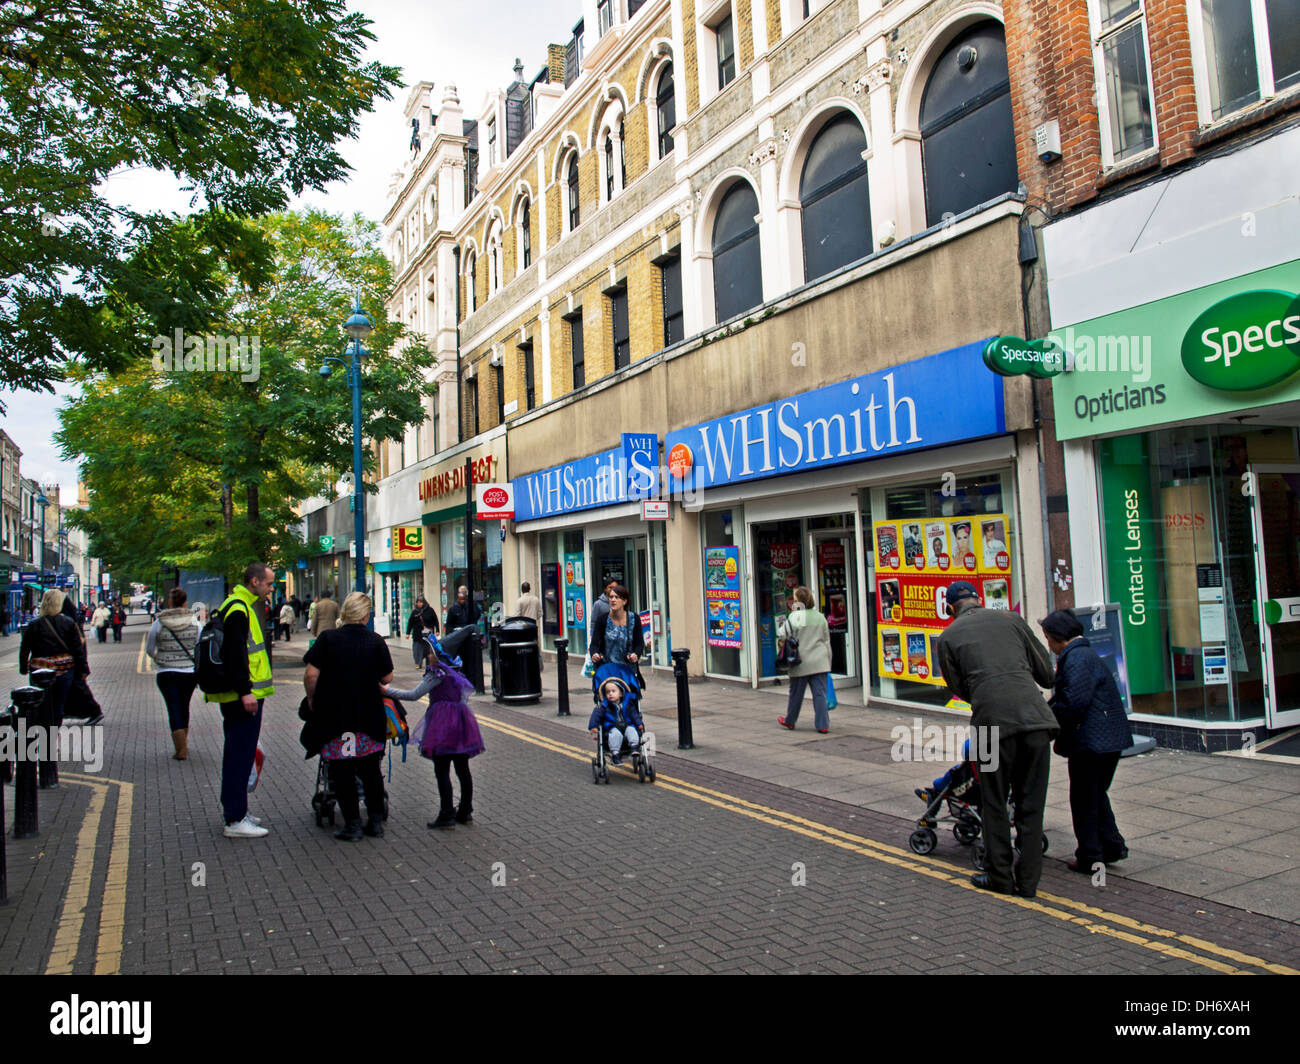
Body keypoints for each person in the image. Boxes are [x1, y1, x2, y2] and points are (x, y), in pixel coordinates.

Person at [935, 580, 1056, 898]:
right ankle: (1028, 883)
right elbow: (1047, 673)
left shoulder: (948, 637)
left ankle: (999, 876)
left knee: (993, 803)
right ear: (979, 599)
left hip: (989, 727)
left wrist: (985, 695)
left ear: (950, 608)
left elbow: (959, 687)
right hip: (1035, 723)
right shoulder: (1012, 620)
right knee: (1031, 806)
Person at [1040, 610, 1133, 874]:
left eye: (1048, 638)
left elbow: (1073, 702)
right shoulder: (1084, 654)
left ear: (1058, 638)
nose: (1048, 644)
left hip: (1092, 742)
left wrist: (1049, 722)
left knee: (1083, 799)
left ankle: (1090, 856)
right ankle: (1112, 847)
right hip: (1105, 740)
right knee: (1095, 795)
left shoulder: (1077, 658)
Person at [303, 592, 394, 841]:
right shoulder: (375, 641)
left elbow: (311, 674)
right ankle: (375, 822)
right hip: (368, 718)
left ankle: (352, 824)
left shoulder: (329, 639)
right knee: (369, 770)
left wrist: (312, 699)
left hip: (340, 719)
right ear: (366, 614)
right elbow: (387, 678)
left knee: (343, 769)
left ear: (345, 611)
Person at [204, 561, 276, 839]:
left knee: (238, 753)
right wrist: (245, 691)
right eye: (269, 584)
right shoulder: (238, 608)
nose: (271, 589)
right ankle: (235, 819)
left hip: (239, 694)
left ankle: (237, 811)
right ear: (255, 582)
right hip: (242, 696)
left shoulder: (237, 605)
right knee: (239, 756)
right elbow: (236, 655)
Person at [384, 633, 484, 830]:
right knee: (463, 769)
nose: (428, 655)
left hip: (442, 725)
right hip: (462, 723)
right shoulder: (456, 673)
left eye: (430, 652)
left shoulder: (436, 674)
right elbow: (463, 698)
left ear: (439, 656)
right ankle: (465, 811)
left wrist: (386, 690)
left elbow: (413, 695)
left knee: (442, 769)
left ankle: (446, 814)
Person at [19, 589, 89, 725]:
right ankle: (52, 735)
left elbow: (25, 648)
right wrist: (83, 669)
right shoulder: (68, 623)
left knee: (40, 704)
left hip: (39, 671)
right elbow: (77, 650)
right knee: (58, 705)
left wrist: (23, 667)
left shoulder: (34, 625)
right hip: (63, 670)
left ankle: (43, 732)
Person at [147, 587, 201, 760]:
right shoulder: (194, 621)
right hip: (189, 672)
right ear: (185, 602)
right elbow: (199, 646)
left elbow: (150, 648)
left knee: (173, 707)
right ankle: (183, 742)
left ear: (169, 602)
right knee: (184, 705)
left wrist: (159, 657)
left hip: (166, 672)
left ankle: (180, 749)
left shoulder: (160, 622)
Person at [775, 586, 832, 733]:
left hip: (799, 661)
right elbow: (826, 641)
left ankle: (790, 720)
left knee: (796, 693)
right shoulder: (820, 617)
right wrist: (828, 661)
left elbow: (782, 633)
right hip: (819, 661)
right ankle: (823, 724)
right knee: (820, 694)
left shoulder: (795, 617)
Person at [587, 675, 644, 766]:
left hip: (627, 725)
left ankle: (634, 747)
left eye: (613, 691)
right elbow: (596, 716)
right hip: (612, 727)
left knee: (632, 730)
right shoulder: (604, 706)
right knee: (615, 735)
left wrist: (639, 723)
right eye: (608, 692)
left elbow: (634, 715)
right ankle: (616, 754)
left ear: (621, 693)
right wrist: (593, 726)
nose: (610, 694)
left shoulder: (628, 704)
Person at [589, 583, 642, 669]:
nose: (613, 600)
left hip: (628, 669)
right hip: (607, 668)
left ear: (624, 601)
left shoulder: (634, 618)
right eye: (611, 597)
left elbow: (639, 643)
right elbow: (594, 644)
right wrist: (595, 654)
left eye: (617, 597)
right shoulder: (602, 619)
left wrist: (635, 654)